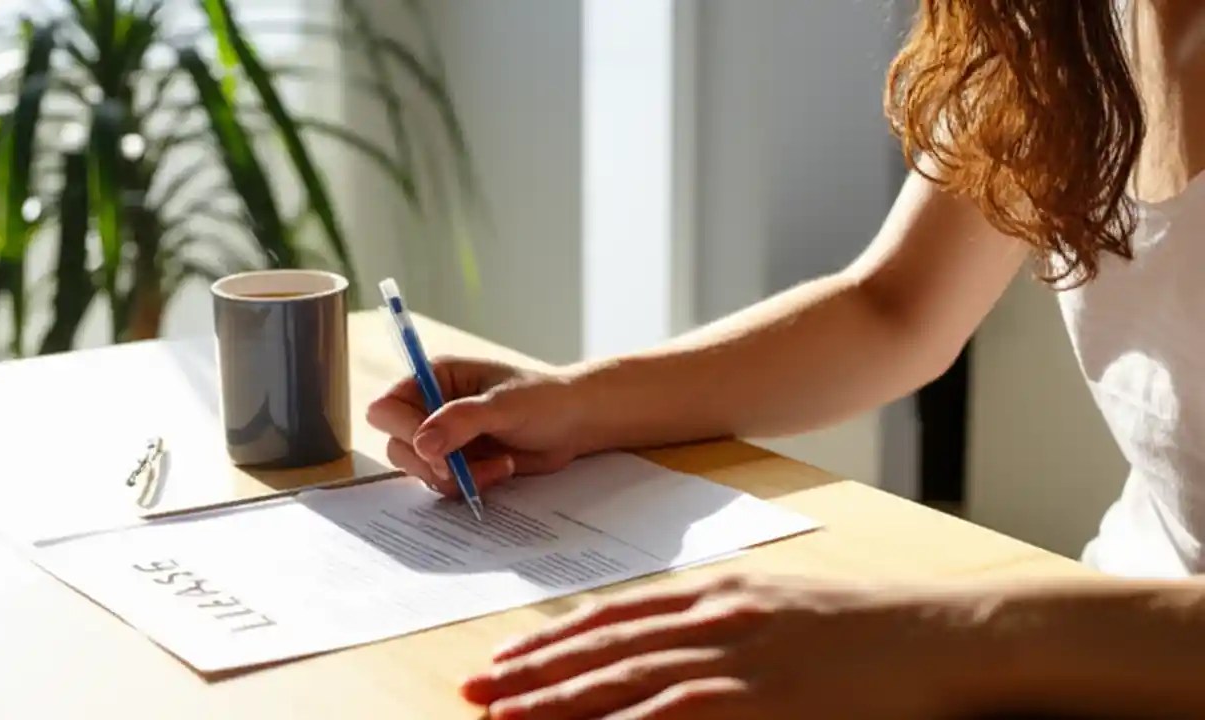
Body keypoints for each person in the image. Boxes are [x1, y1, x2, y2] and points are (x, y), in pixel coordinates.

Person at [368, 1, 1205, 717]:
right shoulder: (1069, 26)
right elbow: (895, 310)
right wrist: (578, 403)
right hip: (1089, 639)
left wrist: (946, 631)